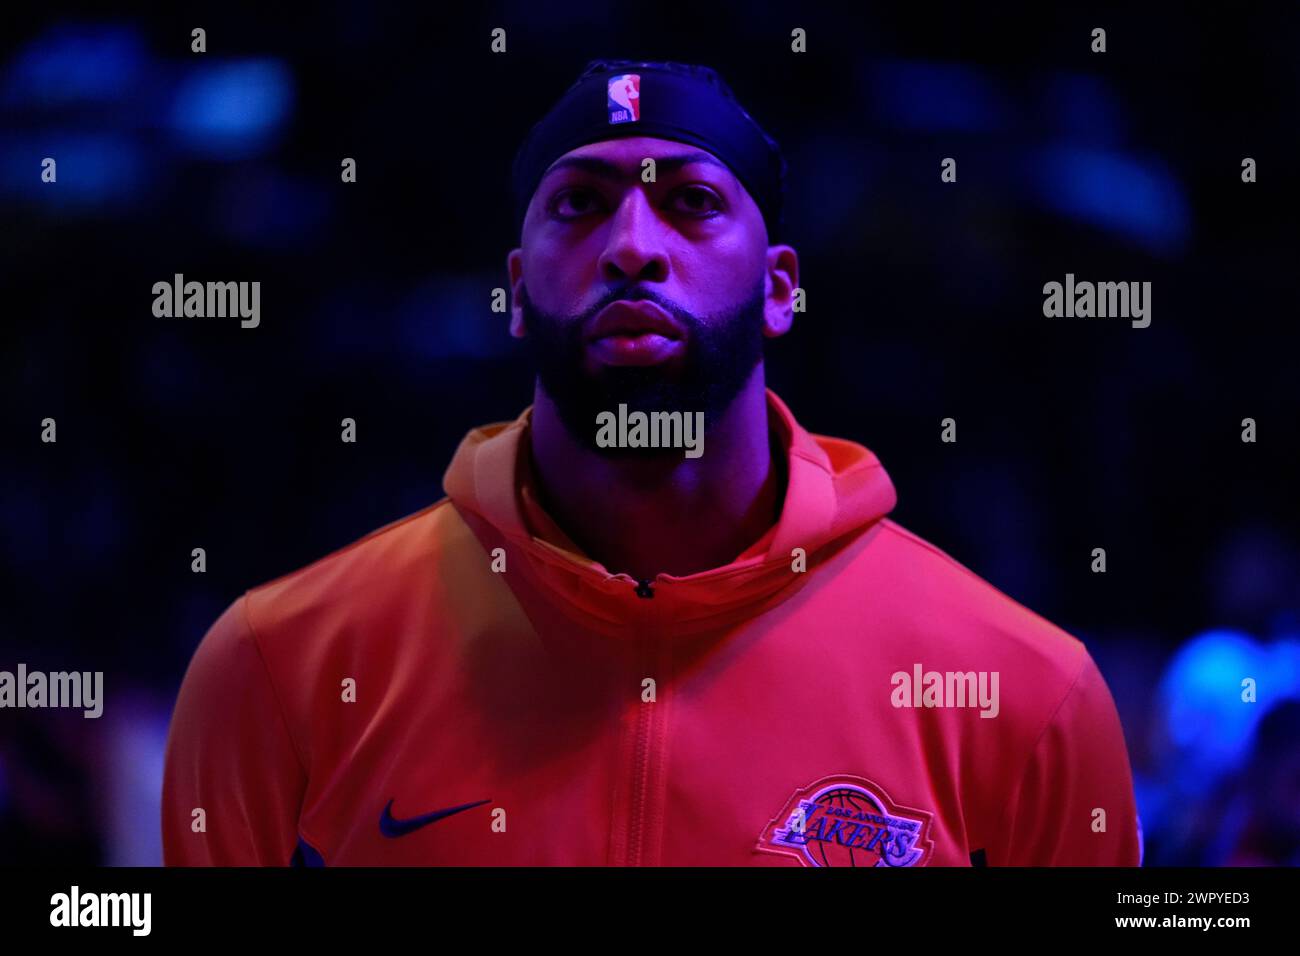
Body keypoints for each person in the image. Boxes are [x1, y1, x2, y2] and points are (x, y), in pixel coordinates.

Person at [162, 59, 1141, 867]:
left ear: (779, 288)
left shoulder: (1022, 693)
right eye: (581, 205)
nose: (632, 246)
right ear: (513, 288)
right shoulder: (278, 667)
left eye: (693, 202)